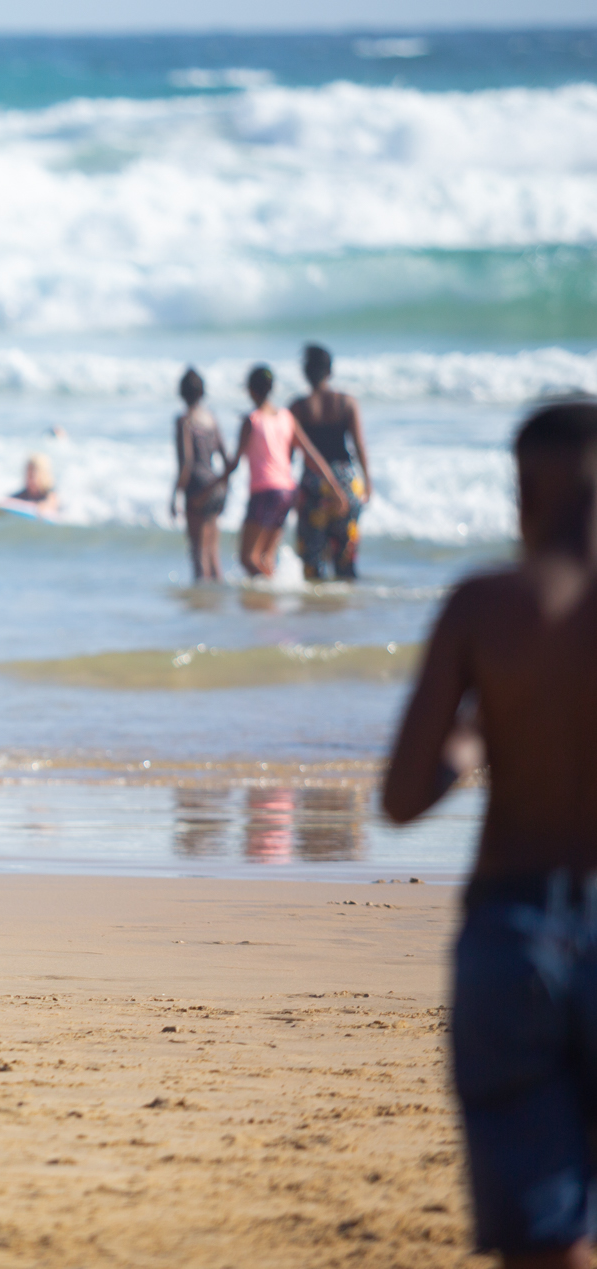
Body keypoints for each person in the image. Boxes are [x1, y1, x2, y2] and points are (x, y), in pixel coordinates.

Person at [382, 400, 597, 1268]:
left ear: (527, 493)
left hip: (514, 932)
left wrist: (471, 742)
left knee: (545, 1237)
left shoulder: (485, 604)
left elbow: (401, 797)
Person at [226, 363, 342, 579]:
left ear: (250, 390)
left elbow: (234, 464)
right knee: (266, 557)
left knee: (247, 558)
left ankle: (272, 589)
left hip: (264, 490)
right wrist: (334, 486)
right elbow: (311, 455)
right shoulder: (286, 417)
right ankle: (271, 597)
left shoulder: (251, 421)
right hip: (287, 491)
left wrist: (215, 483)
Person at [291, 343, 374, 582]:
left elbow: (288, 453)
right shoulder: (347, 403)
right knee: (345, 558)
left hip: (313, 483)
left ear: (305, 373)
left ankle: (317, 605)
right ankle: (344, 605)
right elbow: (359, 446)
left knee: (312, 562)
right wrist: (368, 482)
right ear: (330, 371)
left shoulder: (298, 407)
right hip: (346, 481)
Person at [172, 367, 230, 582]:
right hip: (215, 486)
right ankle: (217, 597)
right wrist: (224, 487)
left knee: (198, 553)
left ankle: (201, 600)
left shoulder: (184, 421)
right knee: (213, 553)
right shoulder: (211, 419)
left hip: (196, 487)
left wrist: (175, 494)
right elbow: (227, 459)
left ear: (182, 393)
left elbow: (186, 463)